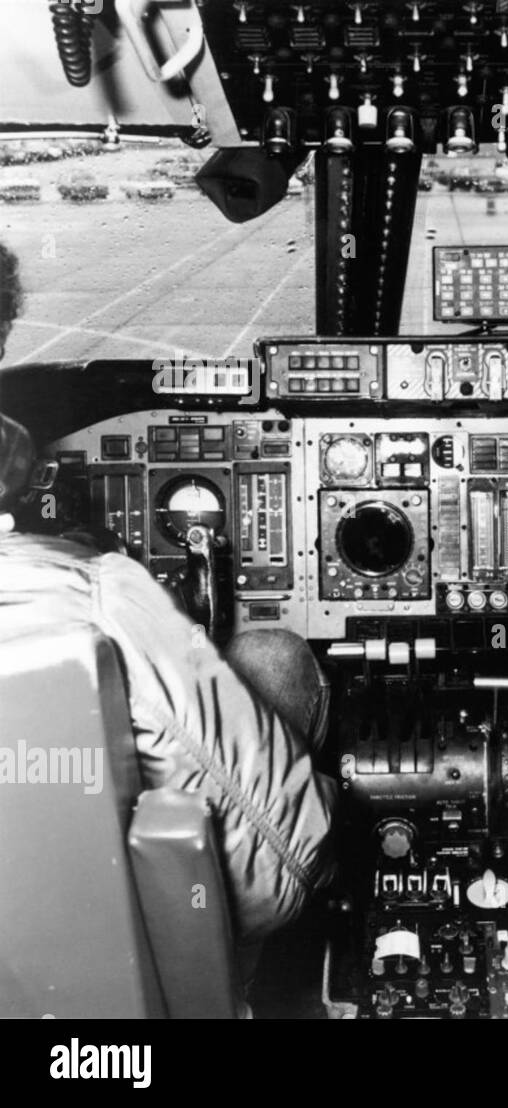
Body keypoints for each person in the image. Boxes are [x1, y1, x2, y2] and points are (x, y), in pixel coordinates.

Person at [0, 240, 337, 961]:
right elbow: (280, 869)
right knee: (272, 659)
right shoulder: (95, 599)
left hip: (29, 954)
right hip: (131, 956)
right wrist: (344, 810)